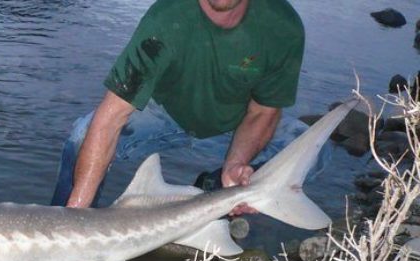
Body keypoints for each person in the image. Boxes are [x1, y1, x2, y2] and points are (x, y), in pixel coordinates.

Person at [52, 0, 304, 215]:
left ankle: (218, 189)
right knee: (83, 134)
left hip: (233, 126)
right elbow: (111, 116)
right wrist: (76, 214)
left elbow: (263, 112)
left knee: (308, 147)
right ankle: (64, 219)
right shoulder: (165, 16)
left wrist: (236, 163)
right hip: (166, 115)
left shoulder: (282, 26)